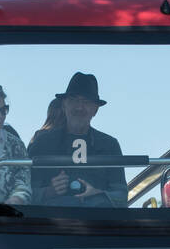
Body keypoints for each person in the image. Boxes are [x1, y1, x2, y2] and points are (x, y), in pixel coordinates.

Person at [27, 72, 127, 207]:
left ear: (95, 109)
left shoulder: (110, 145)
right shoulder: (42, 142)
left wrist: (98, 194)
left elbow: (122, 196)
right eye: (74, 100)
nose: (79, 107)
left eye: (86, 102)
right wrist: (48, 192)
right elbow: (22, 193)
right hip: (49, 225)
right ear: (64, 104)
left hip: (98, 224)